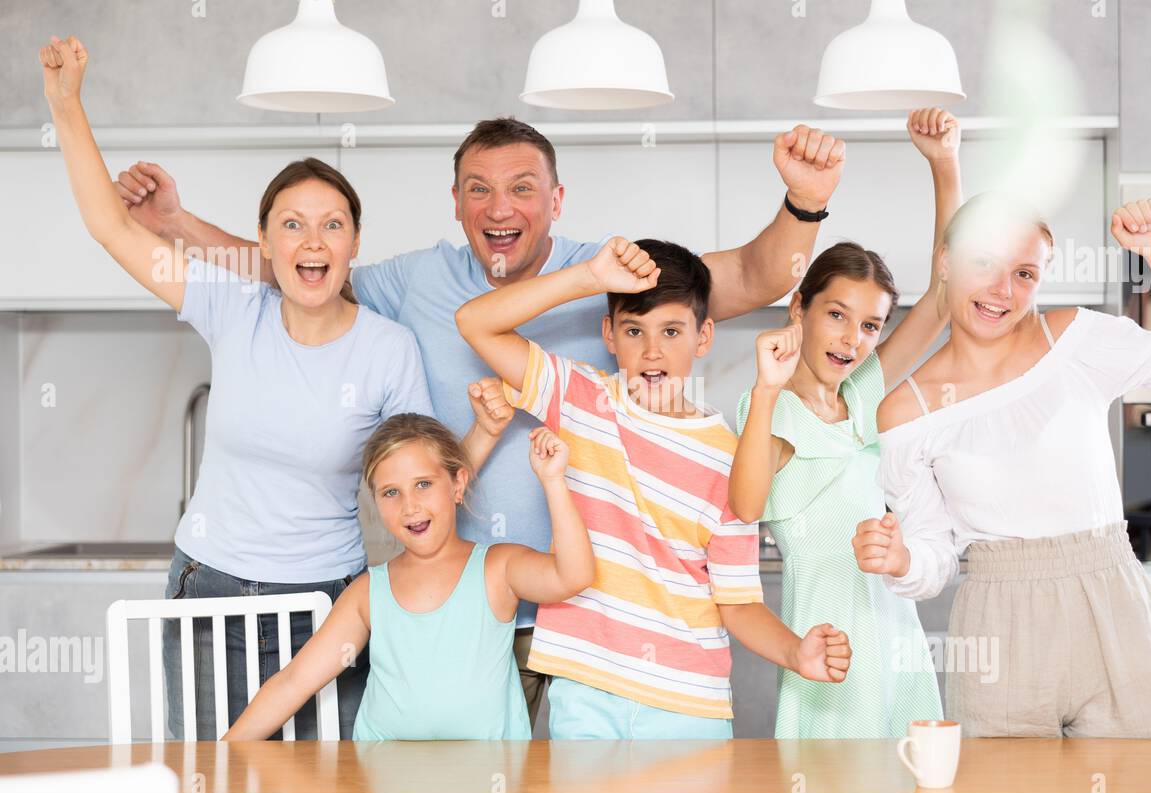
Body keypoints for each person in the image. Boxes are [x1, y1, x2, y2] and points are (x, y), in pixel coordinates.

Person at [113, 116, 850, 730]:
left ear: (557, 200)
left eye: (522, 188)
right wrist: (178, 224)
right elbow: (297, 267)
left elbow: (756, 276)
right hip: (461, 610)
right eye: (479, 190)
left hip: (578, 619)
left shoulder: (613, 273)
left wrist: (804, 205)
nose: (500, 208)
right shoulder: (409, 282)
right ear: (457, 203)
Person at [39, 35, 488, 739]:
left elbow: (423, 476)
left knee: (331, 786)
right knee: (212, 777)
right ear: (266, 241)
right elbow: (109, 226)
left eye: (332, 225)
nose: (313, 242)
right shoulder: (231, 304)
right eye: (293, 225)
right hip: (208, 591)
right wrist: (66, 105)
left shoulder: (387, 348)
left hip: (330, 604)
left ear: (354, 243)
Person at [855, 193, 1151, 739]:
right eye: (983, 263)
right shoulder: (905, 413)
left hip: (1111, 602)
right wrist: (901, 560)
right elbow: (934, 557)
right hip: (998, 628)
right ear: (944, 261)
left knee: (1148, 790)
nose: (1001, 290)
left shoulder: (1079, 340)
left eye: (1024, 272)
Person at [455, 236, 852, 739]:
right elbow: (475, 322)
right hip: (586, 689)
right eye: (634, 330)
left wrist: (796, 651)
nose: (651, 351)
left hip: (689, 704)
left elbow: (739, 603)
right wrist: (588, 277)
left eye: (671, 330)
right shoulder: (580, 397)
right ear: (609, 334)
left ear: (703, 336)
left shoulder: (732, 458)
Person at [733, 109, 962, 737]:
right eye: (837, 315)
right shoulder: (769, 408)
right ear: (798, 307)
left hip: (898, 640)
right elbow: (746, 505)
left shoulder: (863, 395)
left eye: (870, 325)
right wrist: (764, 389)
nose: (853, 339)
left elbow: (945, 297)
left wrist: (944, 164)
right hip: (831, 651)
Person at [224, 414, 594, 740]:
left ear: (458, 485)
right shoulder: (368, 591)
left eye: (423, 484)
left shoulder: (499, 567)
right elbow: (294, 682)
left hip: (489, 776)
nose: (409, 506)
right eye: (391, 492)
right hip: (385, 775)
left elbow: (573, 575)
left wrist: (553, 481)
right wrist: (224, 755)